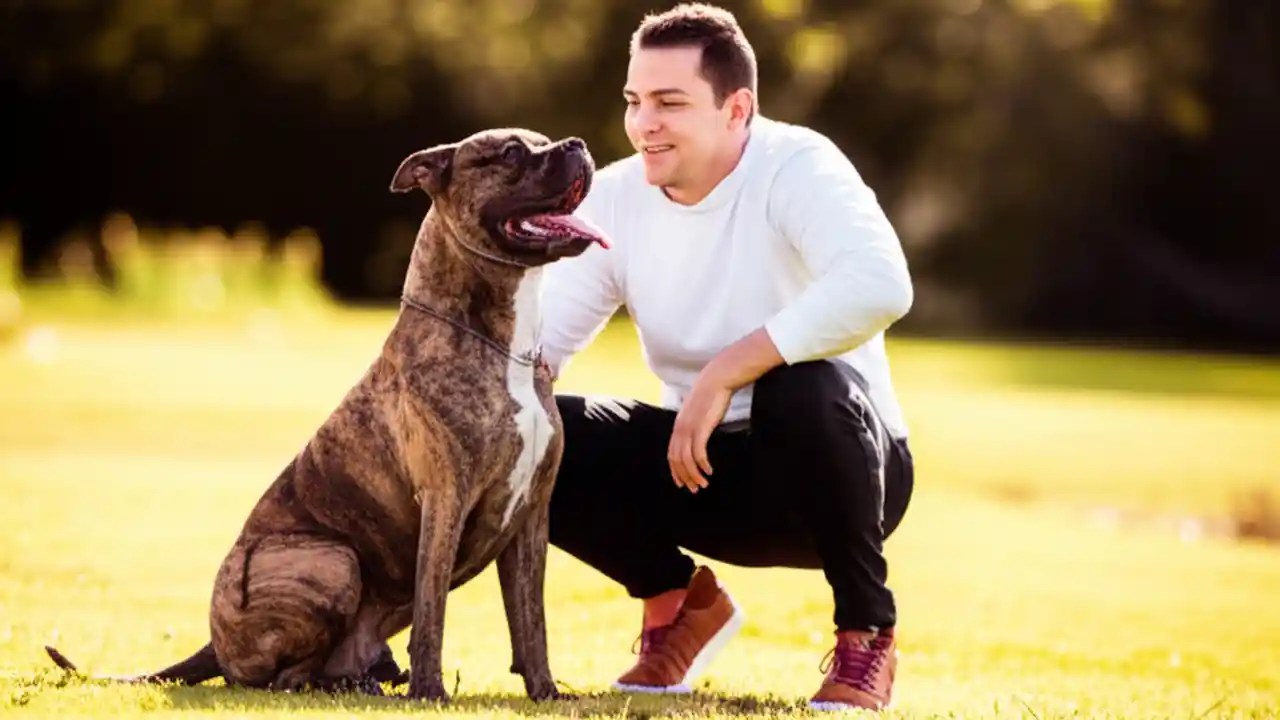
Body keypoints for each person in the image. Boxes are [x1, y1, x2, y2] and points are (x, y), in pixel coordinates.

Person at [538, 3, 915, 712]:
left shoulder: (797, 165)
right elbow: (537, 351)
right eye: (634, 101)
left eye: (669, 103)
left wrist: (727, 369)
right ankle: (676, 605)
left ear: (736, 108)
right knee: (531, 428)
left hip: (845, 472)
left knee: (801, 386)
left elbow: (882, 283)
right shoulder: (617, 197)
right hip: (703, 471)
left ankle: (868, 638)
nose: (643, 123)